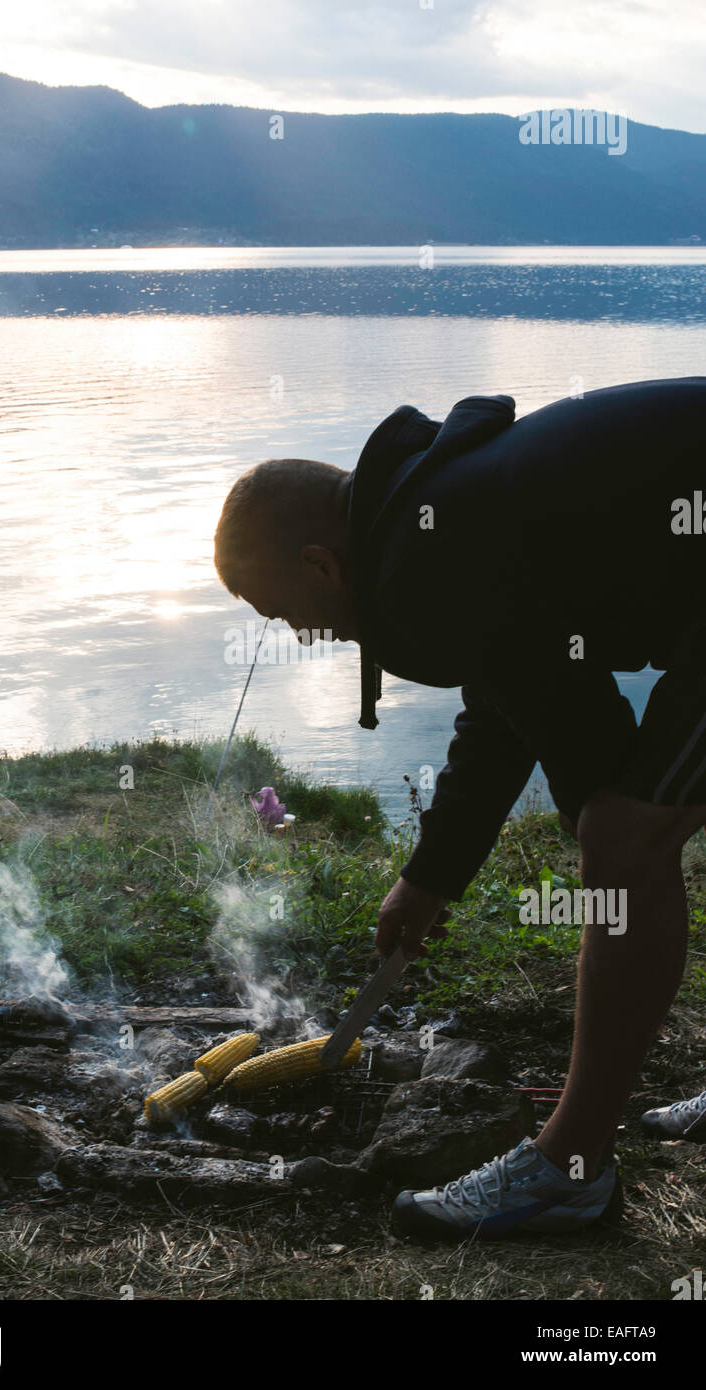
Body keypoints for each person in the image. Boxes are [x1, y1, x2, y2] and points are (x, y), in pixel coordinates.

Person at [213, 376, 706, 1240]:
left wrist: (612, 850)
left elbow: (587, 756)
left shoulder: (421, 562)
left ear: (320, 566)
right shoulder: (429, 515)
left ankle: (569, 1173)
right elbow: (511, 692)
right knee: (635, 824)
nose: (298, 634)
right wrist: (433, 875)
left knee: (625, 839)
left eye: (282, 611)